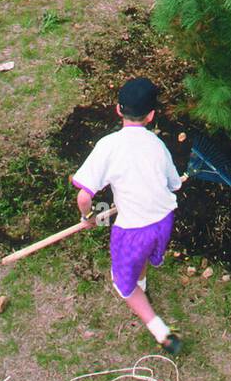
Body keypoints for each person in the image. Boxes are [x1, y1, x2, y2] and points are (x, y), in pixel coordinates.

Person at [71, 77, 183, 356]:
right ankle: (142, 281)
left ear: (118, 110)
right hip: (164, 220)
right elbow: (174, 185)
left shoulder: (109, 146)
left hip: (134, 230)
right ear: (151, 115)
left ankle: (160, 329)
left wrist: (87, 218)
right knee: (142, 257)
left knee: (124, 285)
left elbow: (84, 197)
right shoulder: (157, 145)